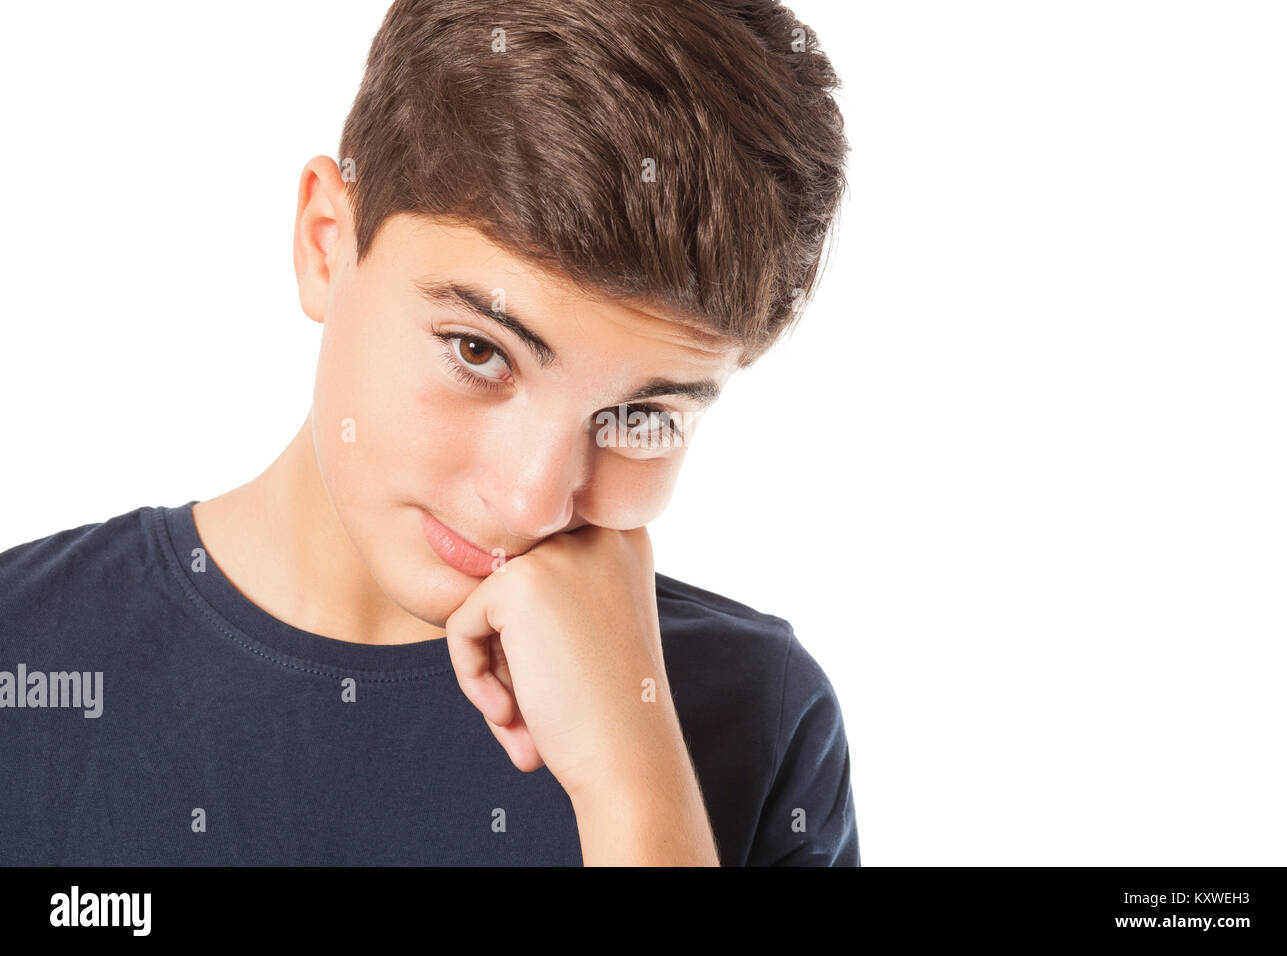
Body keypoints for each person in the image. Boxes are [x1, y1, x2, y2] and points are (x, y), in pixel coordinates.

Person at [0, 0, 855, 865]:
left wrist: (632, 786)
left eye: (642, 417)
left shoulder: (758, 716)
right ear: (326, 244)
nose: (530, 500)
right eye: (480, 351)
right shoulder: (24, 656)